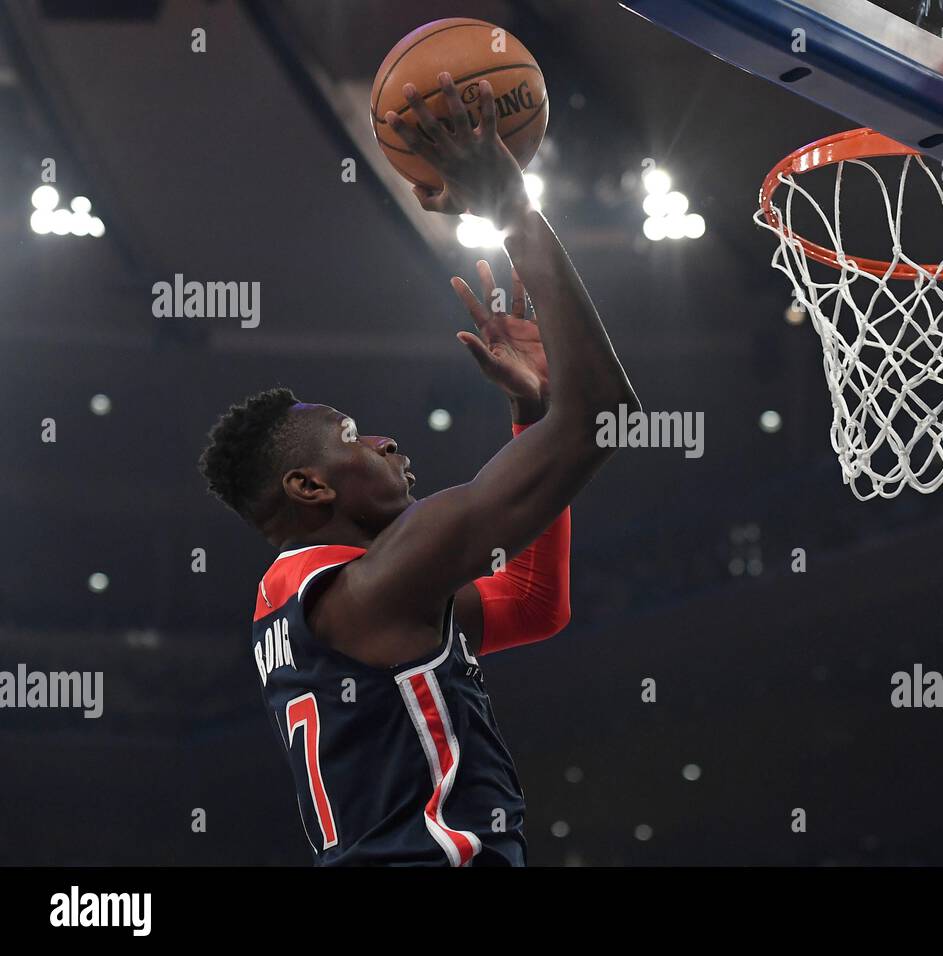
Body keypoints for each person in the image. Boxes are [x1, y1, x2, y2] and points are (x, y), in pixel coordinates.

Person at [197, 74, 639, 865]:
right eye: (355, 435)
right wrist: (512, 212)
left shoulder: (321, 603)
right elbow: (602, 416)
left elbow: (533, 605)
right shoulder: (380, 583)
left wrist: (537, 413)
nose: (388, 443)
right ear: (308, 487)